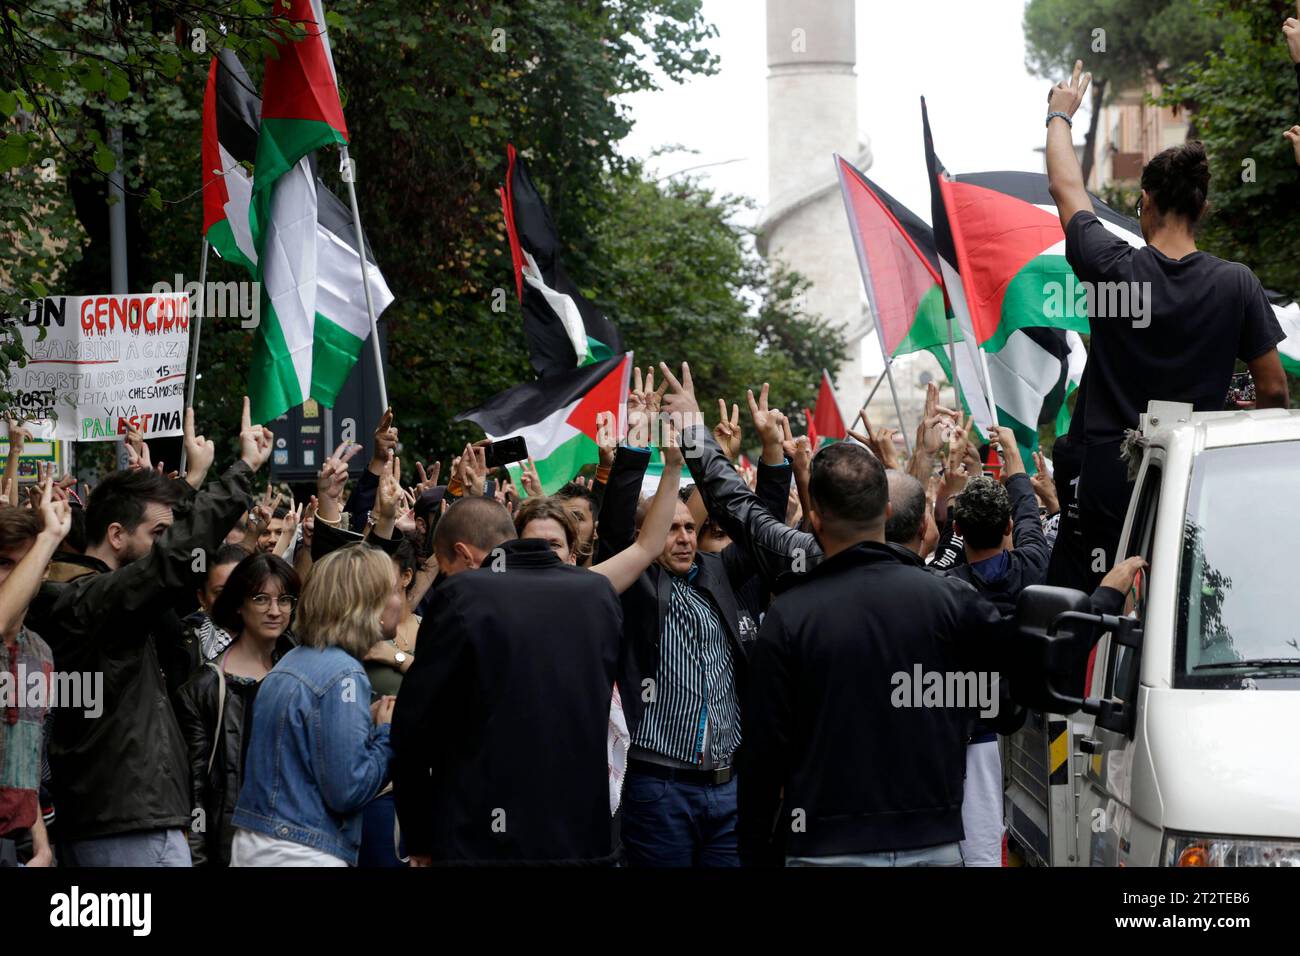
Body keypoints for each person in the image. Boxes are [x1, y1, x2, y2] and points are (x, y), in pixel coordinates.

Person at [733, 438, 1146, 866]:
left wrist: (754, 851)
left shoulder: (789, 617)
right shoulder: (949, 600)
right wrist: (1103, 601)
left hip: (826, 847)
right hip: (929, 845)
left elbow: (763, 761)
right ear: (889, 514)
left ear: (816, 522)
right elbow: (1032, 667)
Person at [1045, 60, 1288, 588]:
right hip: (1194, 481)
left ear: (1145, 204)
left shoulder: (1112, 267)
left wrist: (1058, 117)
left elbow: (1068, 191)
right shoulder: (1238, 284)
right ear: (1201, 208)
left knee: (1098, 604)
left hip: (1109, 482)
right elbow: (1272, 390)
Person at [26, 401, 270, 867]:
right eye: (157, 532)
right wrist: (241, 471)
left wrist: (193, 481)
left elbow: (173, 563)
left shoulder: (111, 600)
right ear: (117, 535)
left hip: (129, 818)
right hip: (128, 825)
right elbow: (171, 563)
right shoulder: (90, 600)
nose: (166, 542)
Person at [390, 496, 627, 865]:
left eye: (447, 569)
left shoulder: (461, 596)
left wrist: (419, 837)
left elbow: (413, 732)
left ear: (463, 554)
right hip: (583, 843)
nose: (448, 579)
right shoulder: (598, 594)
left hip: (481, 844)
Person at [230, 544, 399, 867]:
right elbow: (348, 789)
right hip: (300, 851)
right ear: (369, 605)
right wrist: (386, 734)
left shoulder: (291, 662)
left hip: (260, 844)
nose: (399, 600)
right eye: (390, 591)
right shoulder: (343, 675)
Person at [943, 429, 1048, 867]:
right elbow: (1030, 519)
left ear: (957, 530)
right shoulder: (1033, 566)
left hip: (970, 736)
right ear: (1007, 528)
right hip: (1013, 724)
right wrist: (1015, 462)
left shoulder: (943, 592)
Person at [175, 553, 300, 867]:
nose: (275, 611)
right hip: (238, 845)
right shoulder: (205, 687)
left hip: (301, 841)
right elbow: (197, 789)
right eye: (261, 599)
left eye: (284, 600)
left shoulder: (305, 670)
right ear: (239, 605)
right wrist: (200, 860)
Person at [0, 477, 71, 867]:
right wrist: (49, 536)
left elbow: (27, 759)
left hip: (17, 844)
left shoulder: (40, 651)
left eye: (23, 564)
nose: (14, 575)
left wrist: (41, 845)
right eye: (3, 563)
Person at [180, 543, 249, 662]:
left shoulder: (276, 640)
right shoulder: (182, 646)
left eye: (239, 589)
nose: (232, 598)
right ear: (202, 598)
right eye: (221, 592)